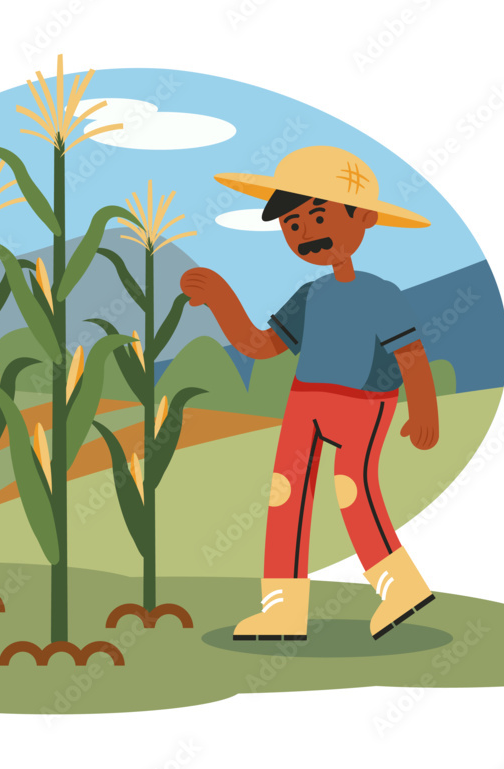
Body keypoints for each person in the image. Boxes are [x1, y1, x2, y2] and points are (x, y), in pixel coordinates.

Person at [181, 145, 440, 641]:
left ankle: (400, 588)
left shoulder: (381, 293)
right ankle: (282, 610)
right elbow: (260, 346)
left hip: (364, 404)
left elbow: (411, 357)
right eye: (292, 225)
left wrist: (423, 408)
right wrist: (220, 299)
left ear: (361, 218)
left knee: (353, 491)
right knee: (285, 497)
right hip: (304, 403)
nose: (304, 234)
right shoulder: (310, 295)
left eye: (316, 216)